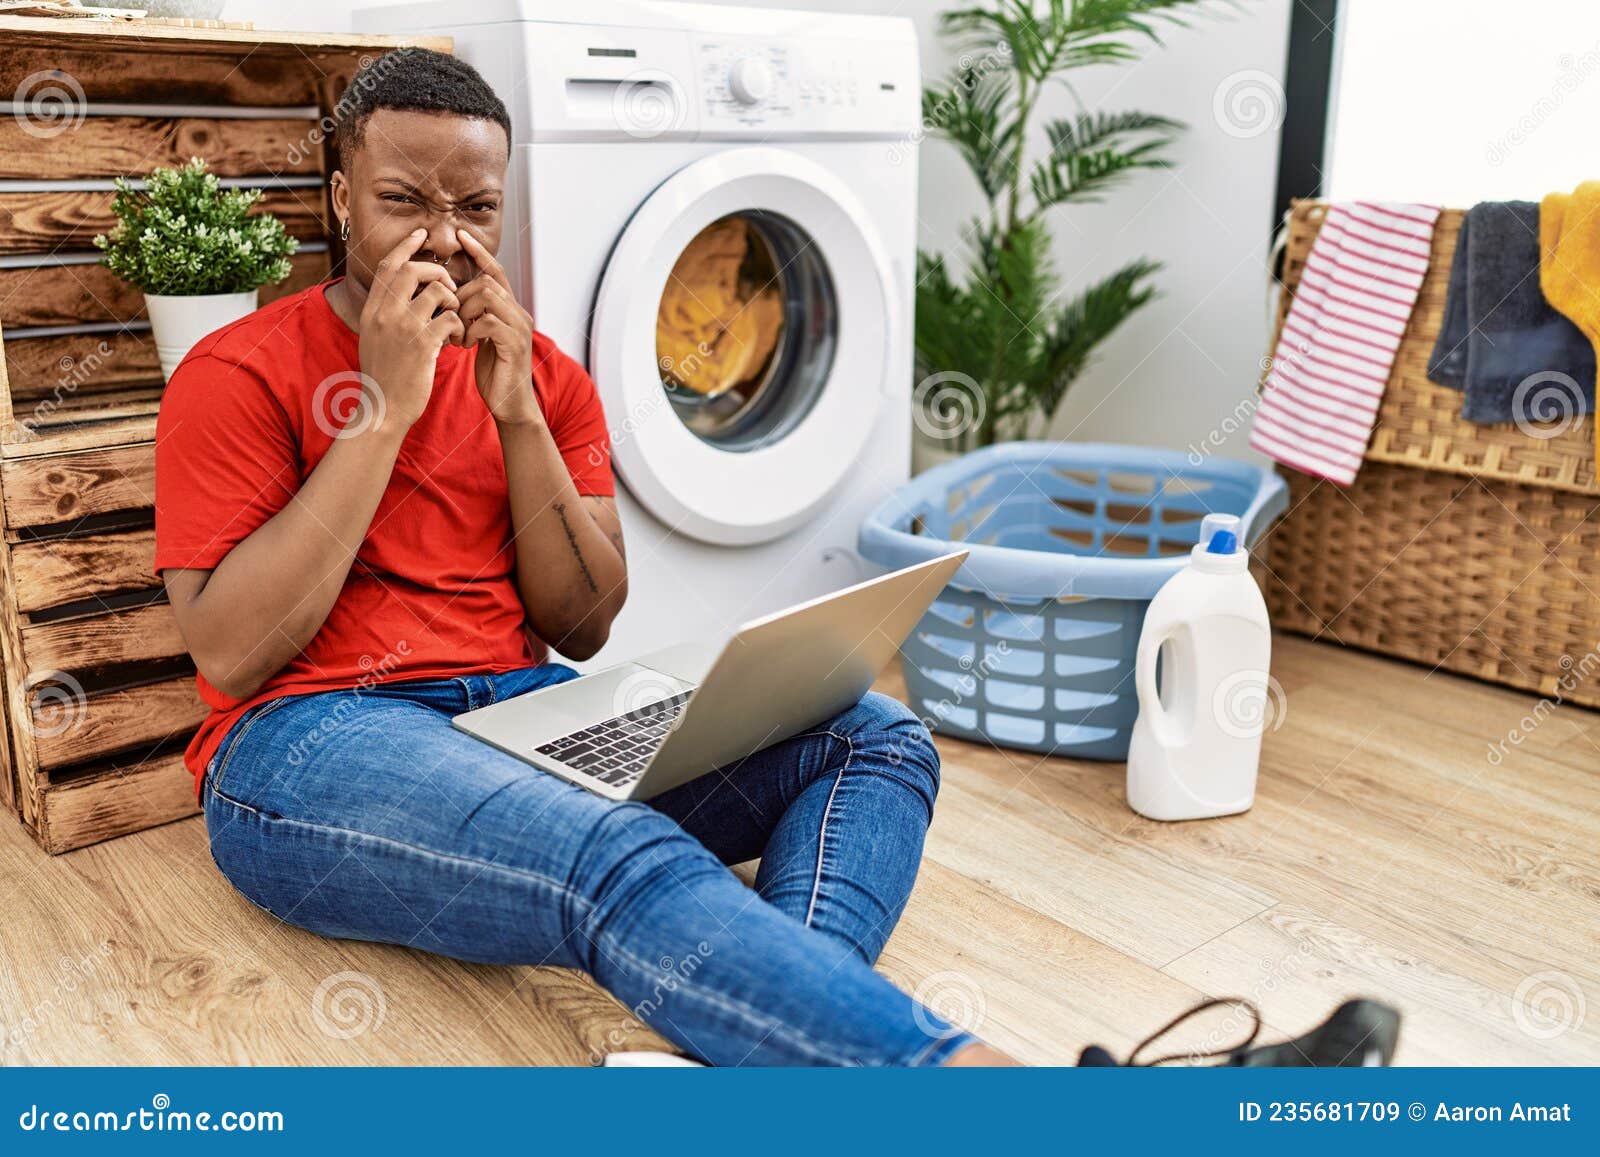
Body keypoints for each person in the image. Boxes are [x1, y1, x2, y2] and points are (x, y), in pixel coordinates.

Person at [155, 48, 1398, 1068]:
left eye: (474, 207)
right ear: (336, 198)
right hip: (308, 747)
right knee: (621, 856)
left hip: (523, 712)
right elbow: (230, 649)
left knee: (873, 733)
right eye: (403, 202)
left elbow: (582, 624)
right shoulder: (240, 371)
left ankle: (744, 1068)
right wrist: (380, 408)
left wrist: (516, 406)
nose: (445, 238)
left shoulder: (549, 382)